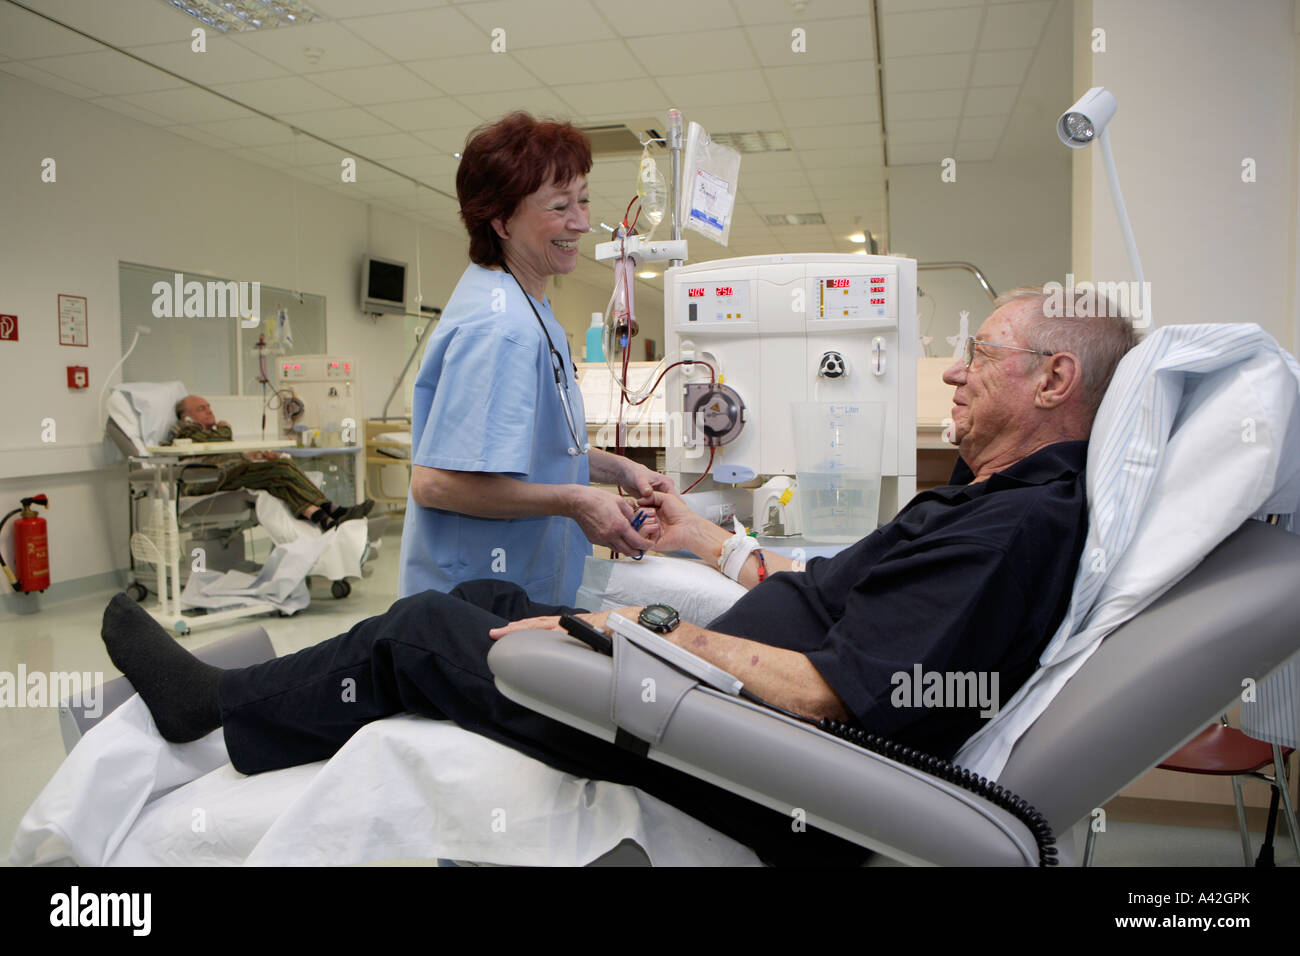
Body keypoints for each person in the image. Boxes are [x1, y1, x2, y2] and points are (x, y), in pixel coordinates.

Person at [101, 287, 1139, 865]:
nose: (954, 369)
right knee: (483, 601)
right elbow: (829, 601)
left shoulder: (1018, 526)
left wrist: (643, 641)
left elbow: (831, 691)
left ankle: (212, 708)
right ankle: (288, 713)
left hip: (752, 758)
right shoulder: (984, 499)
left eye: (981, 351)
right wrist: (706, 543)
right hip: (726, 698)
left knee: (418, 625)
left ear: (1052, 378)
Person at [400, 112, 672, 607]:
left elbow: (534, 452)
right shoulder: (500, 328)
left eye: (584, 200)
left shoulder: (530, 304)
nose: (583, 223)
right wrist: (575, 501)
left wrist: (620, 471)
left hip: (523, 584)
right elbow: (436, 484)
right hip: (475, 605)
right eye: (559, 206)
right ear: (501, 220)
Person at [167, 395, 373, 532]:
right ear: (186, 416)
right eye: (202, 409)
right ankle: (332, 509)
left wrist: (253, 456)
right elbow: (217, 444)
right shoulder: (184, 429)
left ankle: (323, 517)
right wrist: (225, 428)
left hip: (225, 473)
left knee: (281, 474)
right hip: (206, 479)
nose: (209, 411)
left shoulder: (205, 432)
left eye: (209, 407)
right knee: (281, 469)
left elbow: (218, 453)